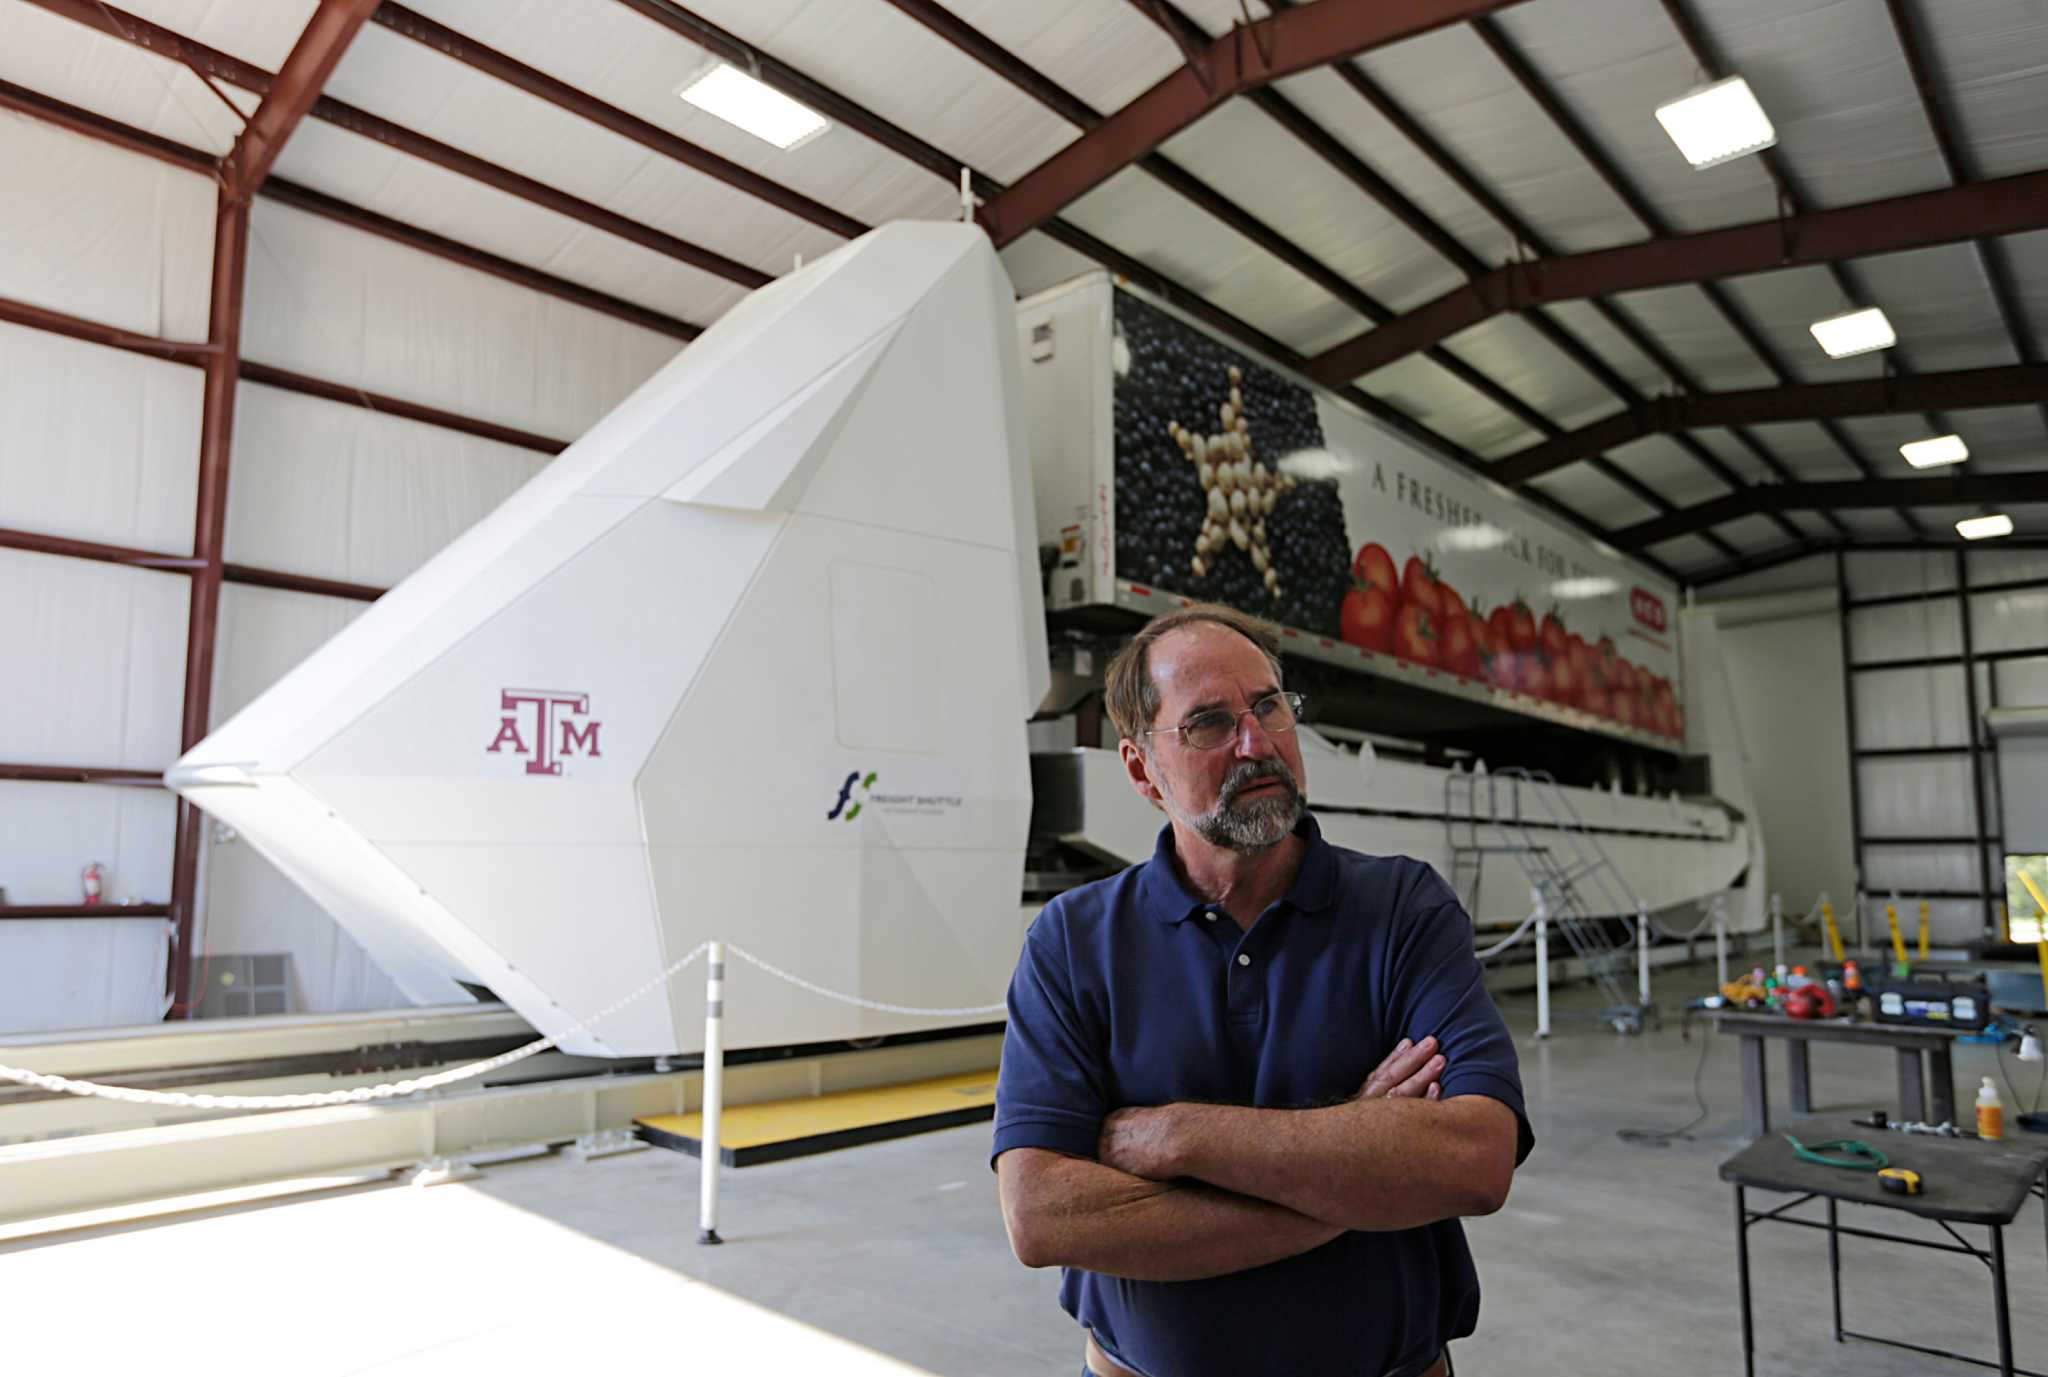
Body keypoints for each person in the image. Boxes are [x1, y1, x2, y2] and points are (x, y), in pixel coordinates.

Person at [992, 603, 1532, 1377]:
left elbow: (1476, 1159)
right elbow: (1042, 1215)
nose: (1258, 742)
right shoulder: (1074, 941)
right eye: (1208, 722)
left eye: (1270, 705)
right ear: (1142, 770)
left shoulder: (1402, 909)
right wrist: (1359, 1170)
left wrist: (1177, 1136)